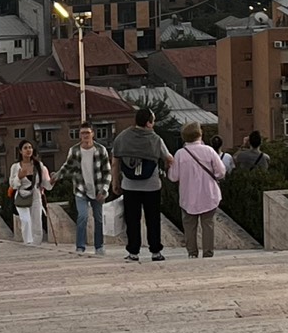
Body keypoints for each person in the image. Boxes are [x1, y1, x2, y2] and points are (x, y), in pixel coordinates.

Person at [113, 107, 172, 263]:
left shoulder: (123, 137)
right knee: (153, 219)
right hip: (151, 186)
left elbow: (115, 161)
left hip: (129, 185)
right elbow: (168, 158)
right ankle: (155, 251)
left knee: (132, 219)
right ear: (148, 123)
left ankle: (133, 251)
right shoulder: (155, 139)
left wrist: (115, 182)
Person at [169, 123, 225, 259]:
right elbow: (221, 172)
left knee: (189, 225)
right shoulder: (209, 151)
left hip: (188, 197)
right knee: (208, 225)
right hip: (208, 194)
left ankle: (192, 253)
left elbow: (173, 177)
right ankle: (208, 253)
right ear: (200, 134)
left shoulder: (180, 154)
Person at [55, 124, 112, 255]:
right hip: (81, 188)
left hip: (97, 189)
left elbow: (107, 172)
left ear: (92, 133)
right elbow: (67, 167)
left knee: (98, 218)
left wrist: (104, 189)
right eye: (82, 133)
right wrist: (56, 177)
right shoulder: (74, 150)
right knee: (82, 216)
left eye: (87, 133)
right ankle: (80, 246)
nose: (85, 136)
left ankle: (99, 246)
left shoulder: (100, 150)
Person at [7, 139, 51, 246]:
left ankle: (37, 243)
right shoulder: (16, 167)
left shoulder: (38, 165)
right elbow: (13, 185)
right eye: (25, 148)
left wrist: (52, 180)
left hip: (35, 195)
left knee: (37, 221)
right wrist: (19, 177)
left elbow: (46, 184)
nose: (28, 150)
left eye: (30, 148)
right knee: (26, 220)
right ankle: (28, 242)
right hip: (22, 196)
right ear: (21, 151)